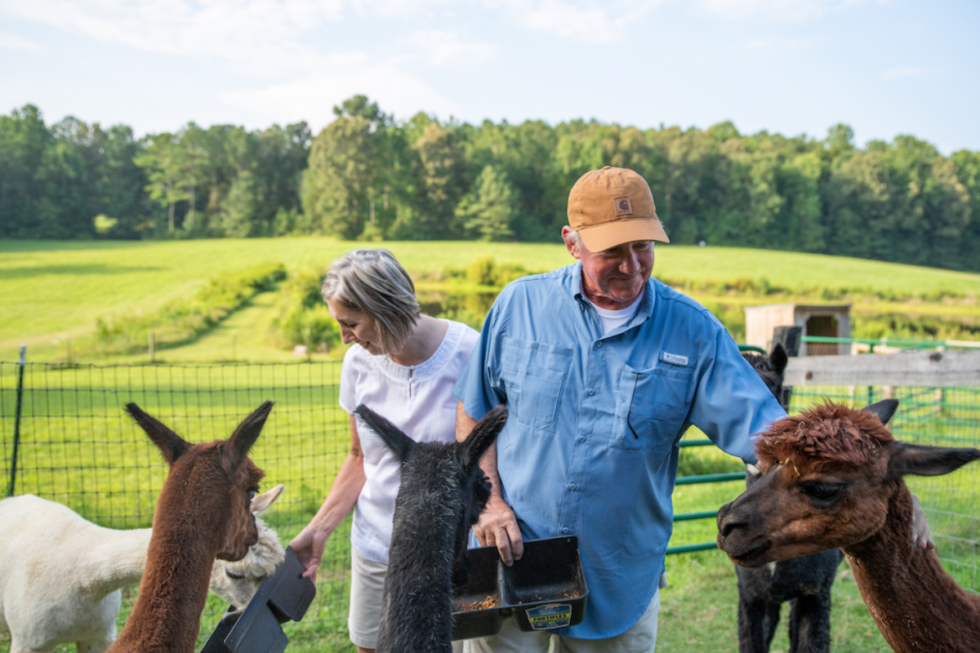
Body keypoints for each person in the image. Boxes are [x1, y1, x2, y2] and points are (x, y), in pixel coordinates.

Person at [452, 166, 933, 652]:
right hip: (509, 554)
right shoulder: (519, 306)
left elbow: (777, 439)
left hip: (617, 573)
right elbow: (475, 411)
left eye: (643, 246)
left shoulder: (692, 332)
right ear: (571, 243)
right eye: (612, 250)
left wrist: (890, 490)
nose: (632, 265)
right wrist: (488, 505)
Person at [290, 249, 479, 653]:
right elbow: (360, 457)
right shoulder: (357, 363)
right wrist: (319, 529)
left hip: (450, 554)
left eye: (351, 323)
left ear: (385, 307)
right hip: (377, 546)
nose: (345, 337)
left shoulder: (470, 351)